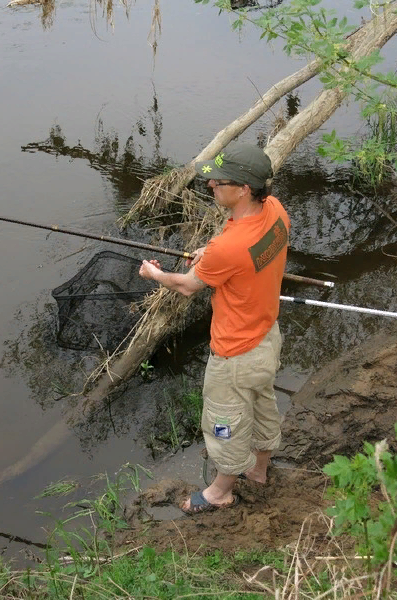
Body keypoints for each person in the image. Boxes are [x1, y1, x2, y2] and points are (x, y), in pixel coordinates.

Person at [138, 143, 290, 515]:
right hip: (266, 337)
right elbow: (240, 252)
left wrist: (155, 274)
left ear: (243, 189)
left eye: (217, 182)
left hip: (235, 353)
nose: (210, 187)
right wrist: (214, 251)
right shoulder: (275, 211)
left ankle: (221, 491)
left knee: (225, 420)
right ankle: (259, 469)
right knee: (261, 404)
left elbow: (188, 286)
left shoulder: (230, 247)